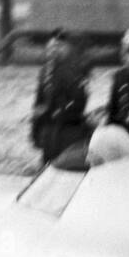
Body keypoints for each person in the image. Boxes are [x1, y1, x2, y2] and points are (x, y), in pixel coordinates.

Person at [31, 29, 90, 164]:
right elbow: (39, 101)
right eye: (51, 47)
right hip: (48, 128)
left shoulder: (73, 71)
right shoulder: (45, 71)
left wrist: (60, 112)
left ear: (66, 49)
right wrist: (35, 129)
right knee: (47, 163)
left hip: (67, 128)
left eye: (58, 47)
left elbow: (80, 101)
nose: (53, 51)